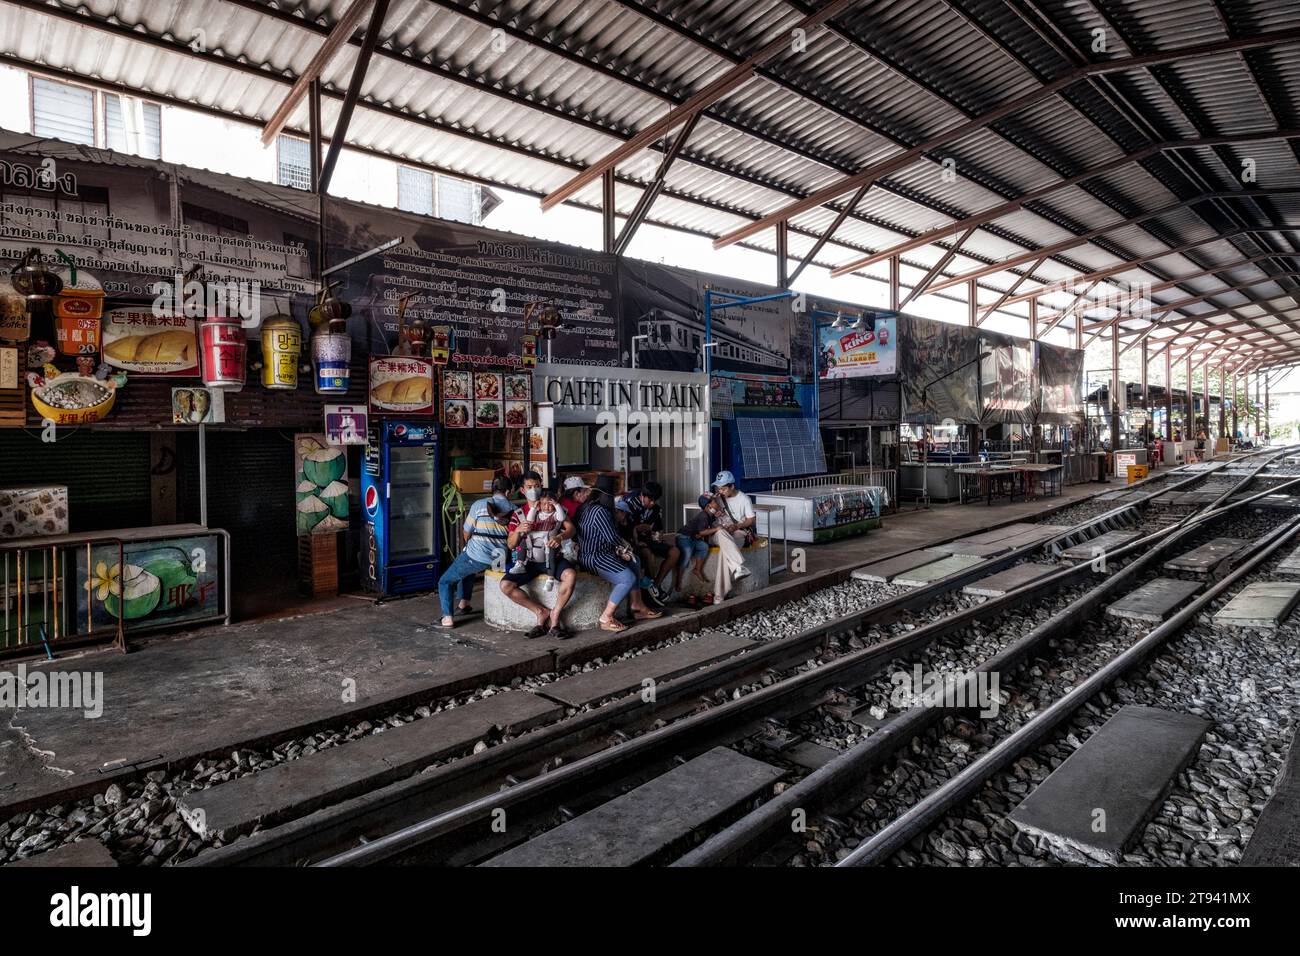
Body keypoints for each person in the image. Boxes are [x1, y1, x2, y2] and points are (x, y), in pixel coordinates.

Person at [498, 472, 578, 639]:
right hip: (528, 560)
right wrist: (519, 531)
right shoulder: (519, 514)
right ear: (522, 490)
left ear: (541, 486)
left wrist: (559, 536)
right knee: (505, 586)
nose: (534, 490)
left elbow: (571, 529)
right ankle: (541, 612)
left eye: (536, 486)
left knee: (570, 575)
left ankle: (555, 617)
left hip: (552, 557)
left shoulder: (554, 508)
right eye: (529, 487)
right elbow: (511, 544)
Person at [576, 485, 662, 632]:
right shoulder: (600, 510)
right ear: (605, 496)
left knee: (635, 561)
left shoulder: (588, 506)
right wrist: (623, 549)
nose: (612, 500)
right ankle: (606, 617)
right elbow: (612, 537)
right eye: (610, 496)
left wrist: (623, 552)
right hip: (595, 557)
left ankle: (637, 606)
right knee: (627, 578)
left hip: (596, 553)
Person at [436, 477, 513, 629]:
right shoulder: (514, 509)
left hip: (476, 555)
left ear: (492, 489)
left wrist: (469, 545)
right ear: (508, 491)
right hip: (500, 557)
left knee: (445, 581)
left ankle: (447, 618)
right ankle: (464, 604)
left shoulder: (479, 505)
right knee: (468, 571)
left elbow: (466, 532)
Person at [615, 481, 678, 606]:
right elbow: (625, 529)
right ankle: (649, 590)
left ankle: (655, 586)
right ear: (642, 496)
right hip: (633, 543)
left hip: (648, 540)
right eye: (650, 500)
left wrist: (658, 535)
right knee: (648, 555)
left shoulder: (655, 508)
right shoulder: (629, 504)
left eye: (655, 500)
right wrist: (638, 529)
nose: (652, 503)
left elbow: (658, 528)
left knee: (675, 552)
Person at [710, 470, 756, 547]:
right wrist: (714, 512)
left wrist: (737, 526)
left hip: (738, 531)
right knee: (724, 541)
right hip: (720, 530)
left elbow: (751, 520)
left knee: (731, 543)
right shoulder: (717, 498)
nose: (720, 491)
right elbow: (709, 513)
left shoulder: (744, 499)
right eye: (718, 488)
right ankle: (737, 559)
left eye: (723, 489)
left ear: (732, 486)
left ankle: (735, 558)